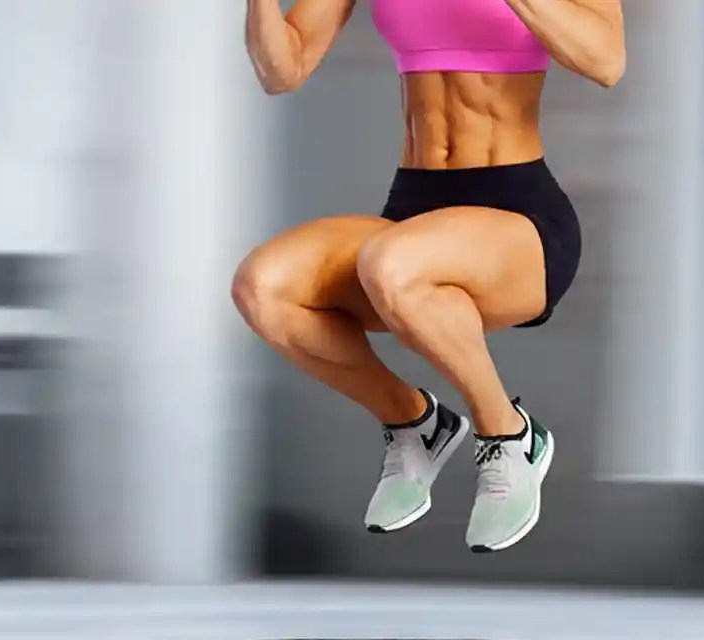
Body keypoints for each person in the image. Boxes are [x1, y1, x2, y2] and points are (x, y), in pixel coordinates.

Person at [235, 0, 626, 552]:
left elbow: (607, 60)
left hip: (521, 221)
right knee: (263, 287)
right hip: (413, 213)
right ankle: (416, 425)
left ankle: (510, 436)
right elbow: (283, 69)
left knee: (391, 262)